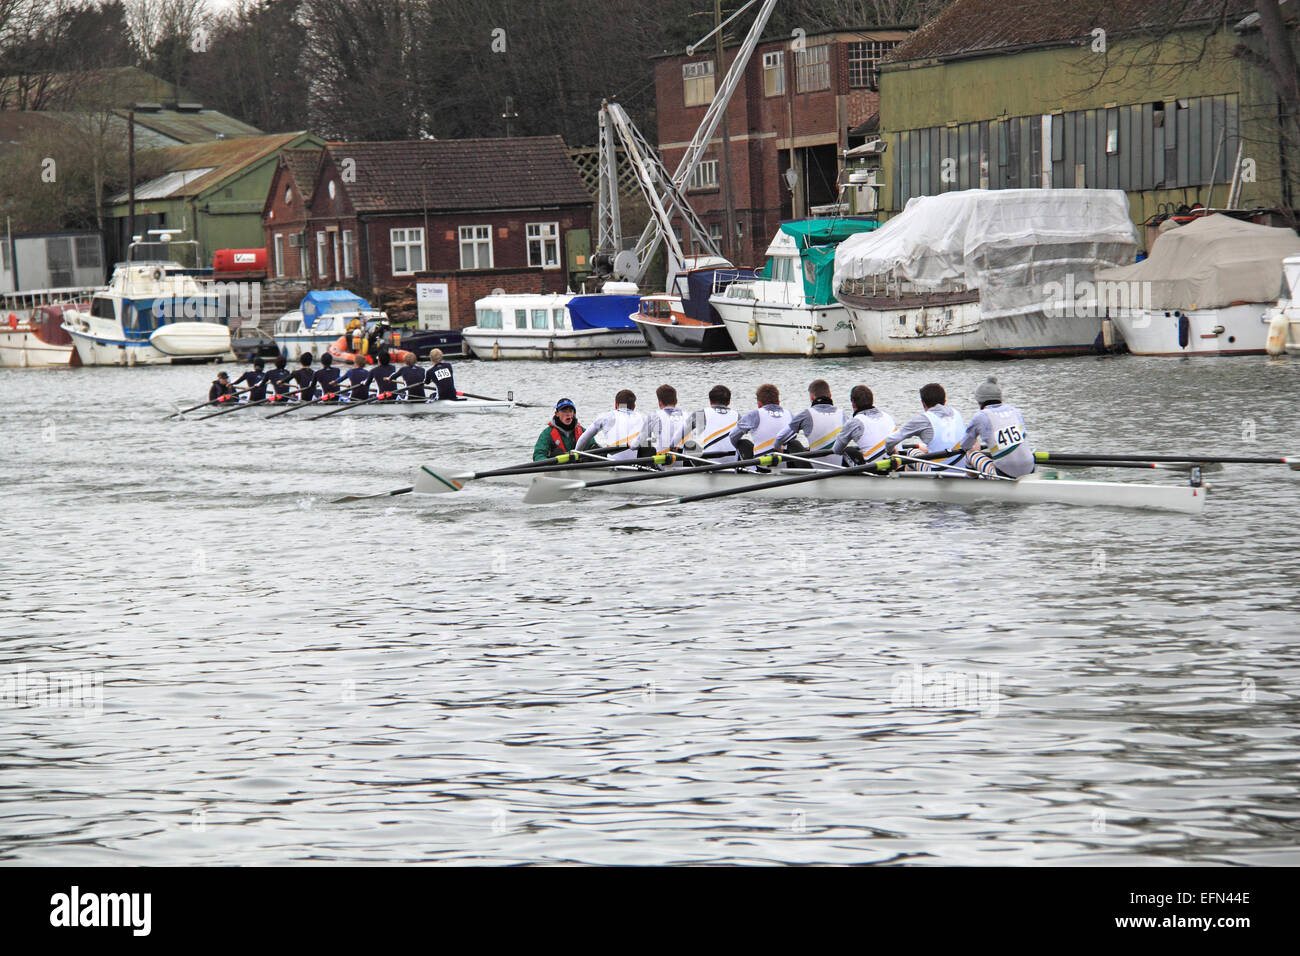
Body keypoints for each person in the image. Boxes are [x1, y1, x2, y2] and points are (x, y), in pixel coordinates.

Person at [959, 376, 1034, 478]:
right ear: (1000, 398)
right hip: (1030, 469)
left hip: (1002, 475)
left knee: (970, 453)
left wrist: (976, 446)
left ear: (979, 401)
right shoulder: (1015, 411)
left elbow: (965, 445)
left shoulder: (981, 416)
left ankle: (971, 483)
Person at [884, 382, 966, 473]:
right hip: (963, 469)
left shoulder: (924, 419)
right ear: (944, 401)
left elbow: (890, 440)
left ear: (923, 403)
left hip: (939, 472)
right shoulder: (957, 413)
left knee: (912, 452)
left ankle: (906, 484)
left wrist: (891, 452)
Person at [774, 379, 845, 469]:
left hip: (814, 470)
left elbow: (780, 437)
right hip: (838, 468)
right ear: (830, 396)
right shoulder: (842, 414)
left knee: (793, 443)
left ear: (811, 397)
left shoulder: (806, 414)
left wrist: (777, 450)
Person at [576, 389, 648, 462]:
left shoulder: (605, 417)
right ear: (634, 406)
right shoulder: (643, 418)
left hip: (611, 464)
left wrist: (576, 454)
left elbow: (583, 439)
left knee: (593, 447)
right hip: (633, 464)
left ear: (616, 405)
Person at [833, 385, 896, 466]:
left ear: (853, 403)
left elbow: (836, 450)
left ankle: (846, 478)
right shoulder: (887, 416)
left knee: (848, 451)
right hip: (896, 463)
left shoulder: (854, 422)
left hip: (877, 468)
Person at [728, 383, 790, 463]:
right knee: (794, 443)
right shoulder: (789, 414)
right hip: (784, 463)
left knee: (742, 443)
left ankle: (741, 471)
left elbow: (732, 436)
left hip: (762, 465)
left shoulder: (754, 414)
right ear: (778, 402)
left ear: (759, 403)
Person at [682, 385, 739, 462]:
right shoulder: (738, 416)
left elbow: (678, 437)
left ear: (710, 401)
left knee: (688, 443)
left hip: (709, 462)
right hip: (732, 462)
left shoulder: (701, 414)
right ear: (729, 401)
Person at [645, 384, 686, 454]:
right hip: (682, 458)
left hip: (661, 461)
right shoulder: (686, 415)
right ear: (676, 401)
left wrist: (631, 444)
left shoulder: (654, 416)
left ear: (660, 403)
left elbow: (638, 442)